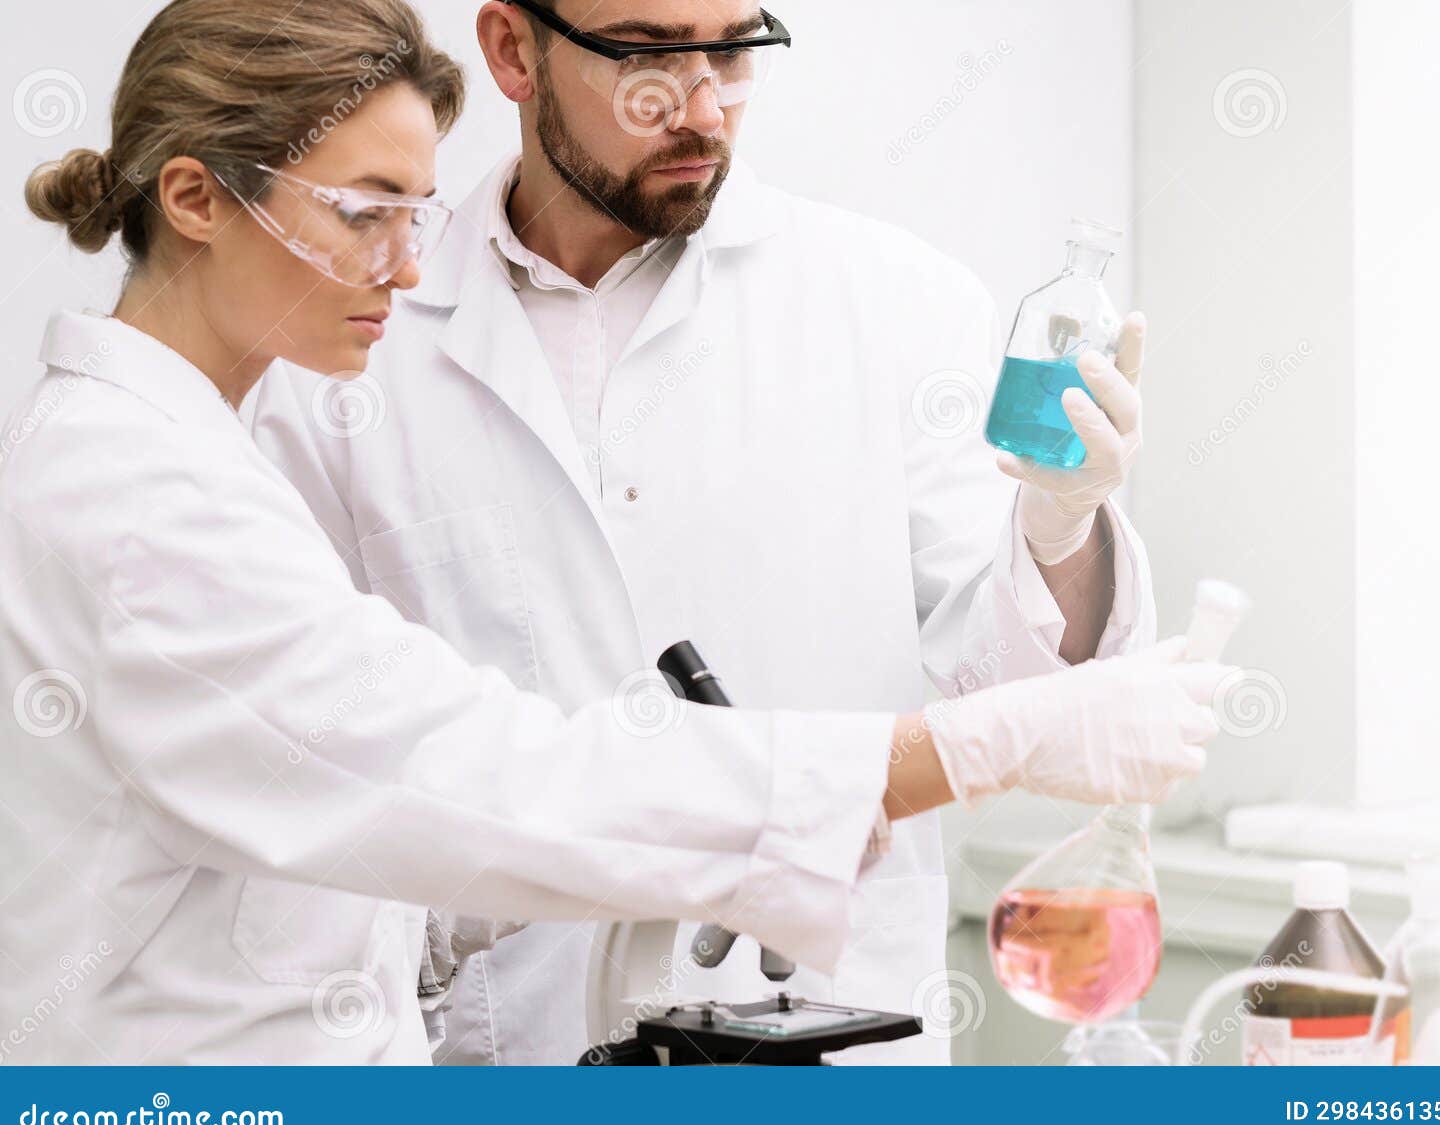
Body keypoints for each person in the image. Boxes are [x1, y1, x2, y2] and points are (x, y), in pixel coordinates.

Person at [0, 0, 1225, 1065]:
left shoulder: (890, 302)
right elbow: (425, 760)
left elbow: (304, 786)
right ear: (515, 52)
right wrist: (961, 751)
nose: (697, 104)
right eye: (644, 52)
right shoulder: (233, 434)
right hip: (464, 1055)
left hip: (825, 1026)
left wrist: (1059, 529)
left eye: (732, 53)